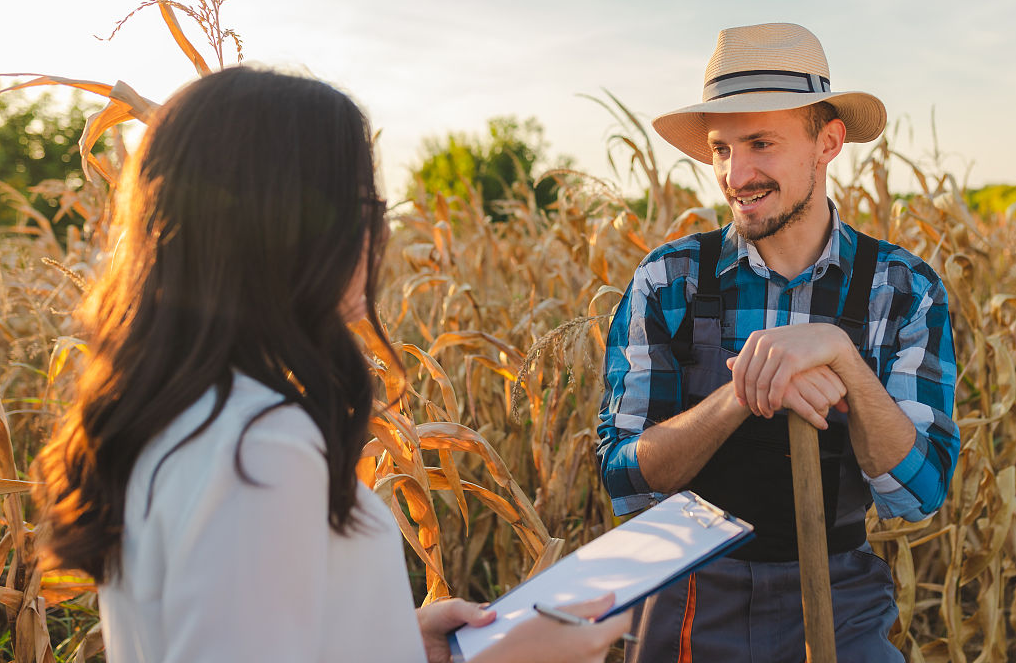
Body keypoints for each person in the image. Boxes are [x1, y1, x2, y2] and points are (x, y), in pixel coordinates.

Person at [32, 67, 630, 663]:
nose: (379, 231)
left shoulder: (171, 416)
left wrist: (400, 641)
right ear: (281, 226)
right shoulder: (259, 448)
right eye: (364, 203)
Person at [597, 23, 959, 661]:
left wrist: (842, 360)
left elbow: (918, 494)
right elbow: (627, 480)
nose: (737, 174)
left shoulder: (901, 289)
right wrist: (747, 390)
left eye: (761, 142)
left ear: (828, 142)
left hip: (840, 594)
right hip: (689, 590)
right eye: (721, 149)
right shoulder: (669, 281)